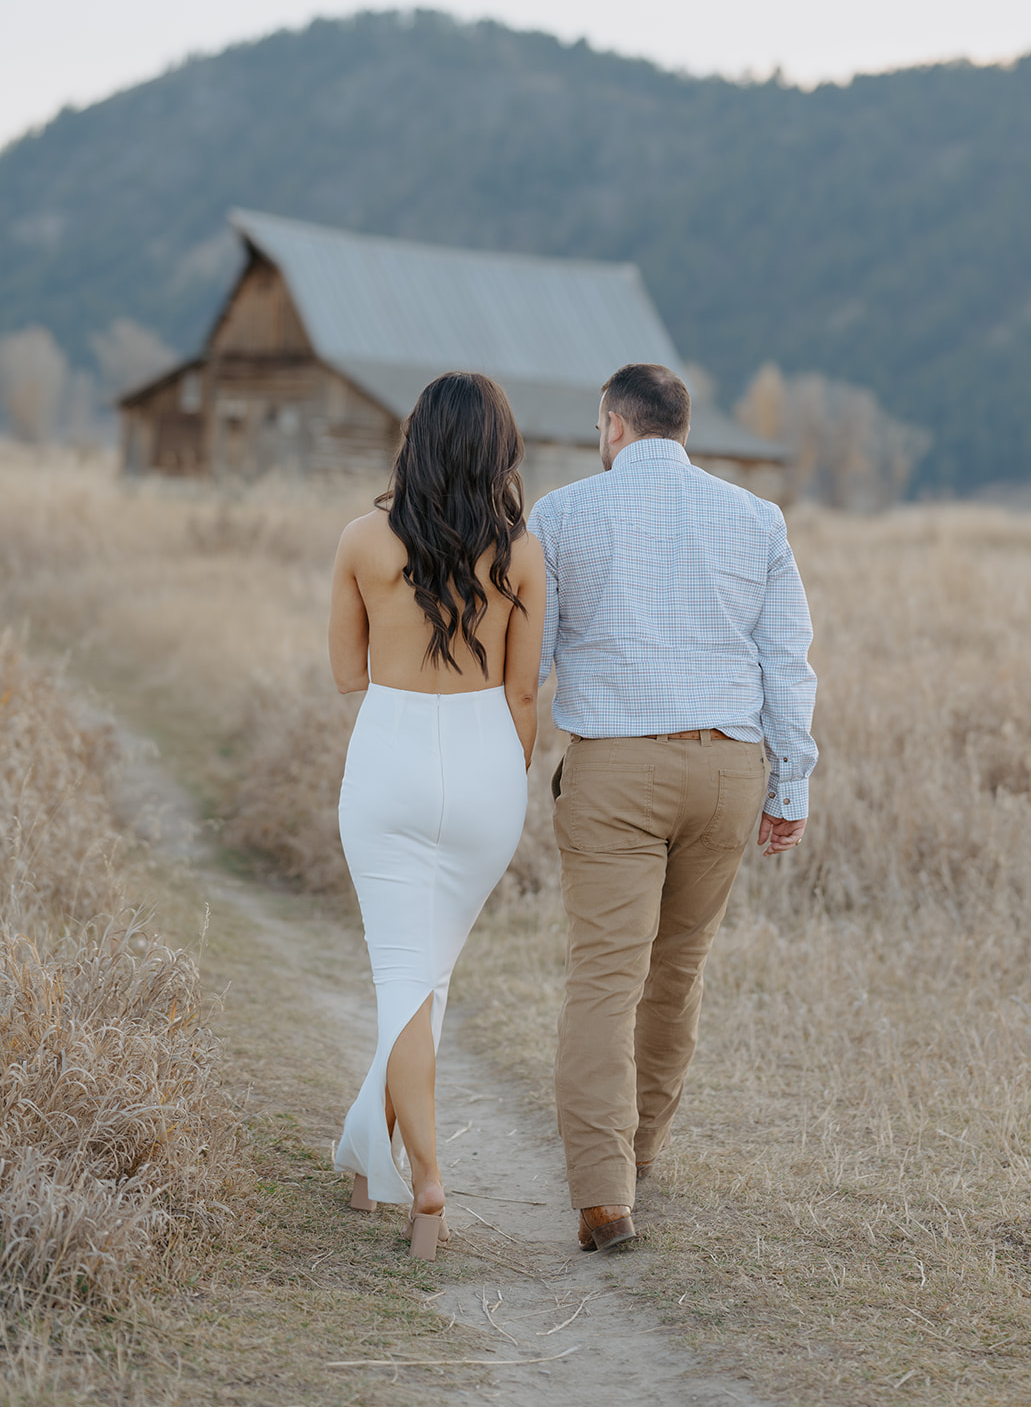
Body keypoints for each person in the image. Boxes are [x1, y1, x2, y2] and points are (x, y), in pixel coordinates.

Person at [528, 362, 816, 1254]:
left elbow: (529, 662)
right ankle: (640, 1151)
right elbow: (786, 663)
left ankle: (603, 1196)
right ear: (681, 428)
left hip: (614, 769)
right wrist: (790, 785)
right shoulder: (756, 518)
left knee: (603, 980)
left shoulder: (560, 514)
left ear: (614, 424)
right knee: (677, 974)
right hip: (727, 770)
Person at [328, 372, 546, 1260]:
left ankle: (425, 1183)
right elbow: (524, 693)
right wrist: (504, 778)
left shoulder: (361, 540)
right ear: (499, 450)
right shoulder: (522, 554)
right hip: (489, 766)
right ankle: (362, 1151)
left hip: (390, 758)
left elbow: (347, 673)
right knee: (425, 979)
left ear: (413, 440)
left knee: (404, 980)